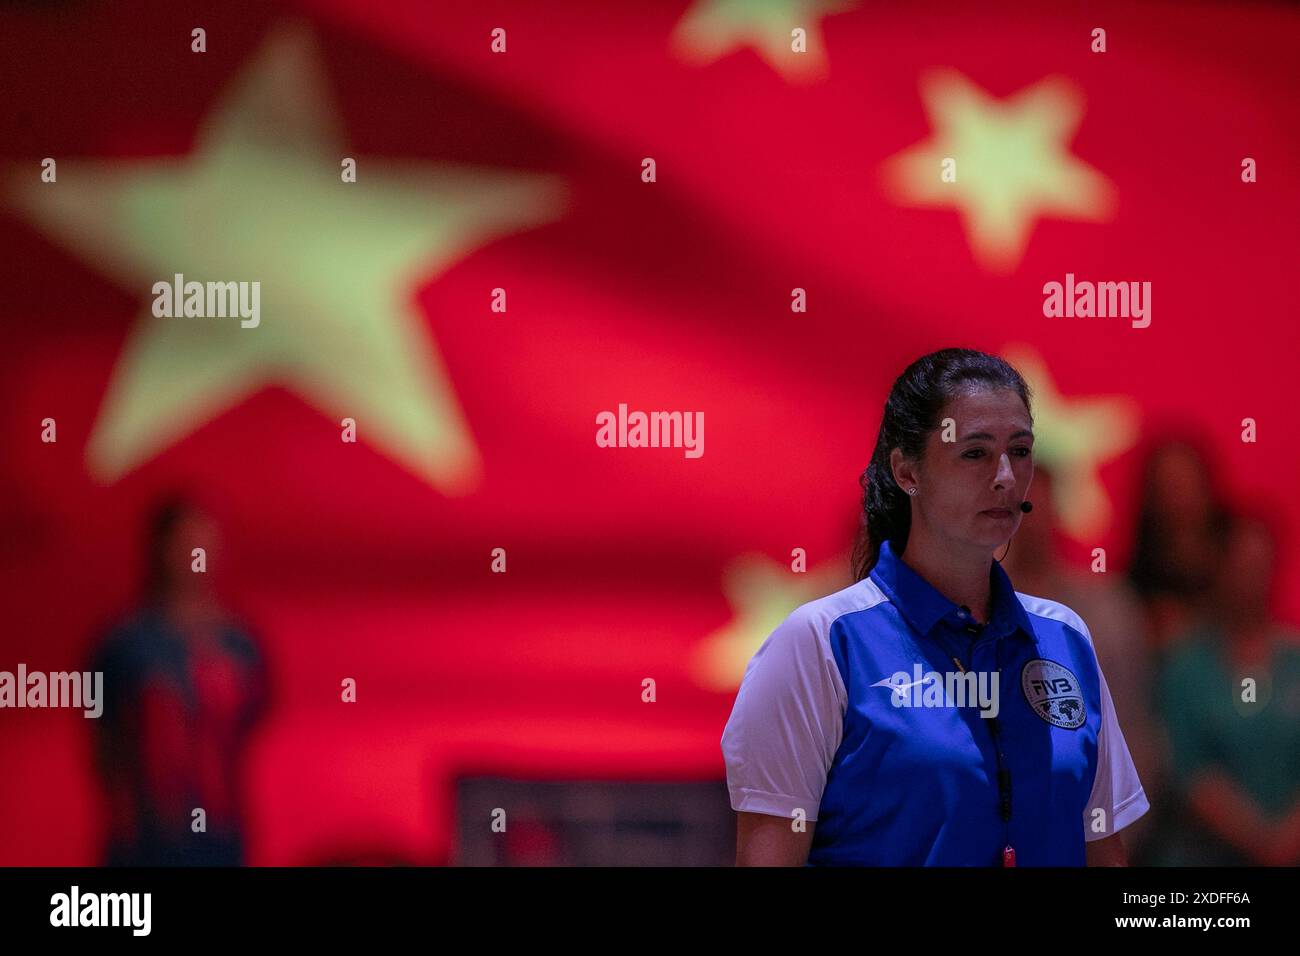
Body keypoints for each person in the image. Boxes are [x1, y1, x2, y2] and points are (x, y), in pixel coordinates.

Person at [721, 348, 1149, 865]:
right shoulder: (820, 643)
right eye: (975, 453)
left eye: (1020, 450)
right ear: (906, 471)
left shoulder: (1065, 637)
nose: (1006, 477)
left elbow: (1104, 854)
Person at [88, 494, 270, 865]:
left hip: (221, 837)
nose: (196, 553)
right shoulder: (125, 643)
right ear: (160, 548)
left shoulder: (240, 645)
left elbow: (250, 730)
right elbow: (104, 741)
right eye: (185, 541)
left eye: (205, 540)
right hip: (145, 839)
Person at [1153, 511, 1300, 866]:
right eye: (1241, 564)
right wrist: (1262, 843)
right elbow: (1190, 770)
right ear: (1218, 568)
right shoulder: (1186, 666)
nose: (1252, 577)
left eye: (1260, 564)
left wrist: (1287, 840)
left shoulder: (1294, 657)